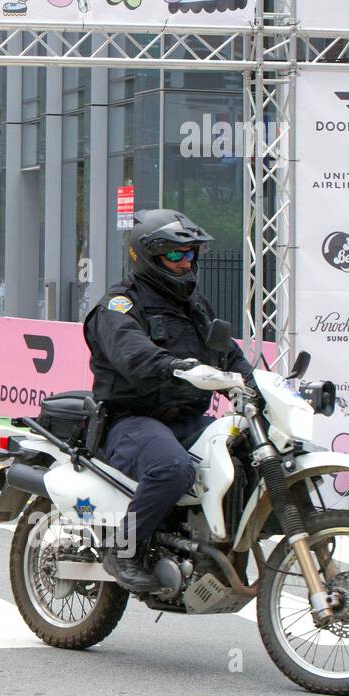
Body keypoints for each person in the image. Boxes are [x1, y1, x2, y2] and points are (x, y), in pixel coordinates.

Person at [83, 209, 254, 593]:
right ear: (147, 255)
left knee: (249, 454)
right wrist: (177, 366)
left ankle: (220, 546)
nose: (184, 262)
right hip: (132, 420)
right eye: (175, 255)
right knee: (173, 469)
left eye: (190, 254)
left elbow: (229, 355)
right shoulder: (118, 306)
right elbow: (133, 355)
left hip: (188, 418)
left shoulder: (195, 306)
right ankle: (123, 548)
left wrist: (257, 384)